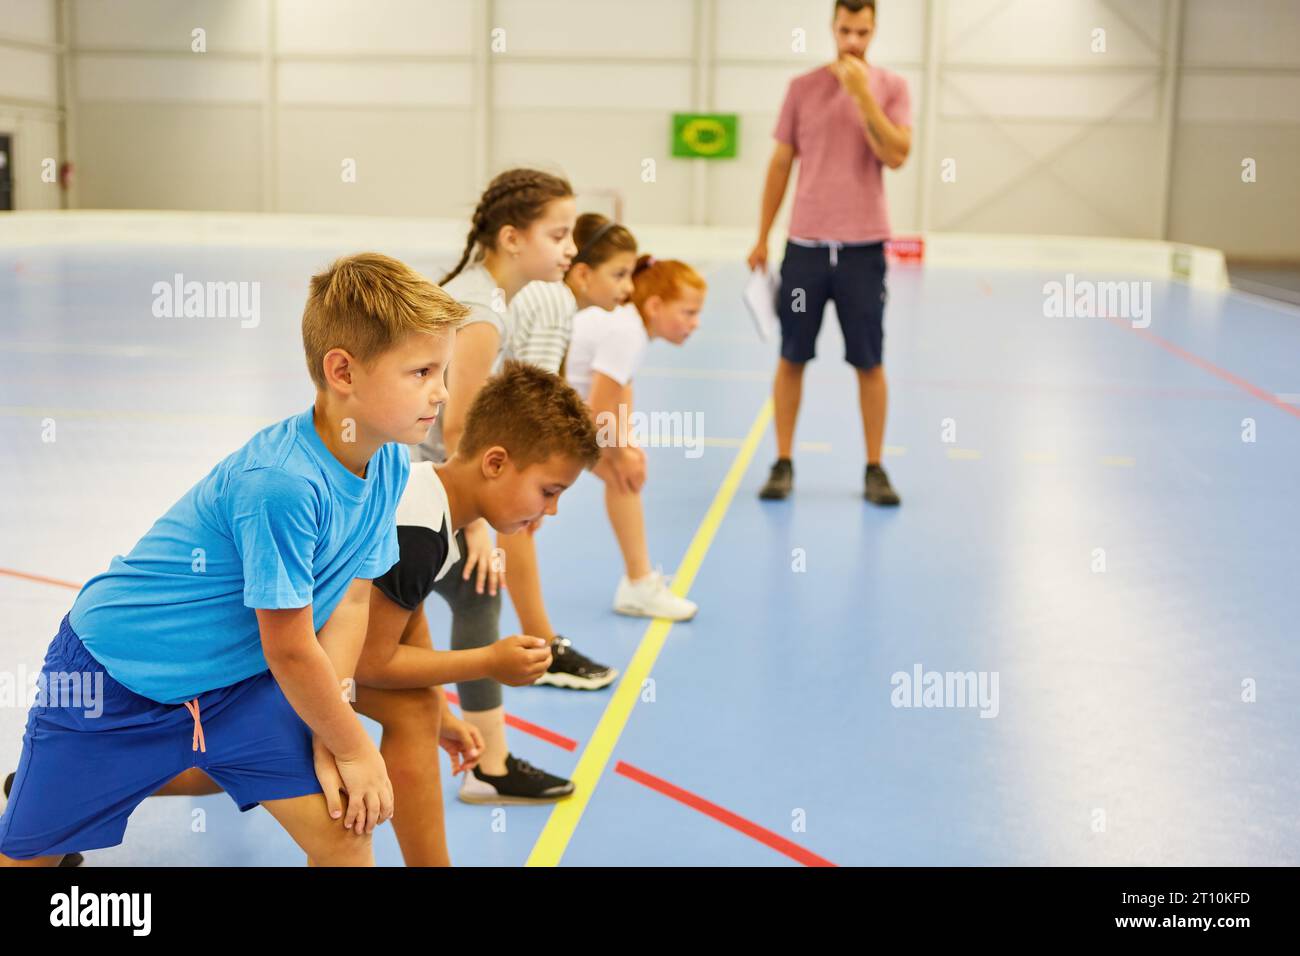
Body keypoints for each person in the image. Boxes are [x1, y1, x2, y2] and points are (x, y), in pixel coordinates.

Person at [0, 252, 462, 866]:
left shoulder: (389, 464)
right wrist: (354, 747)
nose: (442, 390)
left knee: (345, 829)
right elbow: (290, 646)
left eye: (443, 370)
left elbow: (352, 597)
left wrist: (335, 727)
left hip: (239, 690)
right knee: (27, 858)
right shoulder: (283, 483)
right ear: (343, 371)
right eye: (422, 371)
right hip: (114, 678)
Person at [747, 0, 912, 504]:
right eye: (846, 30)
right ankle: (783, 460)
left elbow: (897, 155)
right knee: (792, 355)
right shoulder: (802, 89)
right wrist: (762, 235)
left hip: (864, 251)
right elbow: (779, 164)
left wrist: (863, 97)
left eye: (863, 32)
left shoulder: (892, 89)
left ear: (874, 30)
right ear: (832, 27)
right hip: (806, 251)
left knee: (870, 361)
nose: (853, 41)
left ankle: (874, 467)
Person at [566, 255, 705, 619]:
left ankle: (638, 582)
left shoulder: (629, 326)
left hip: (566, 410)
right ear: (656, 306)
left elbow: (620, 391)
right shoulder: (627, 333)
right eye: (688, 313)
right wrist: (620, 453)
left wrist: (627, 446)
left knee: (622, 477)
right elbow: (597, 410)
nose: (696, 324)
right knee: (621, 475)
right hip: (548, 413)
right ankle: (639, 583)